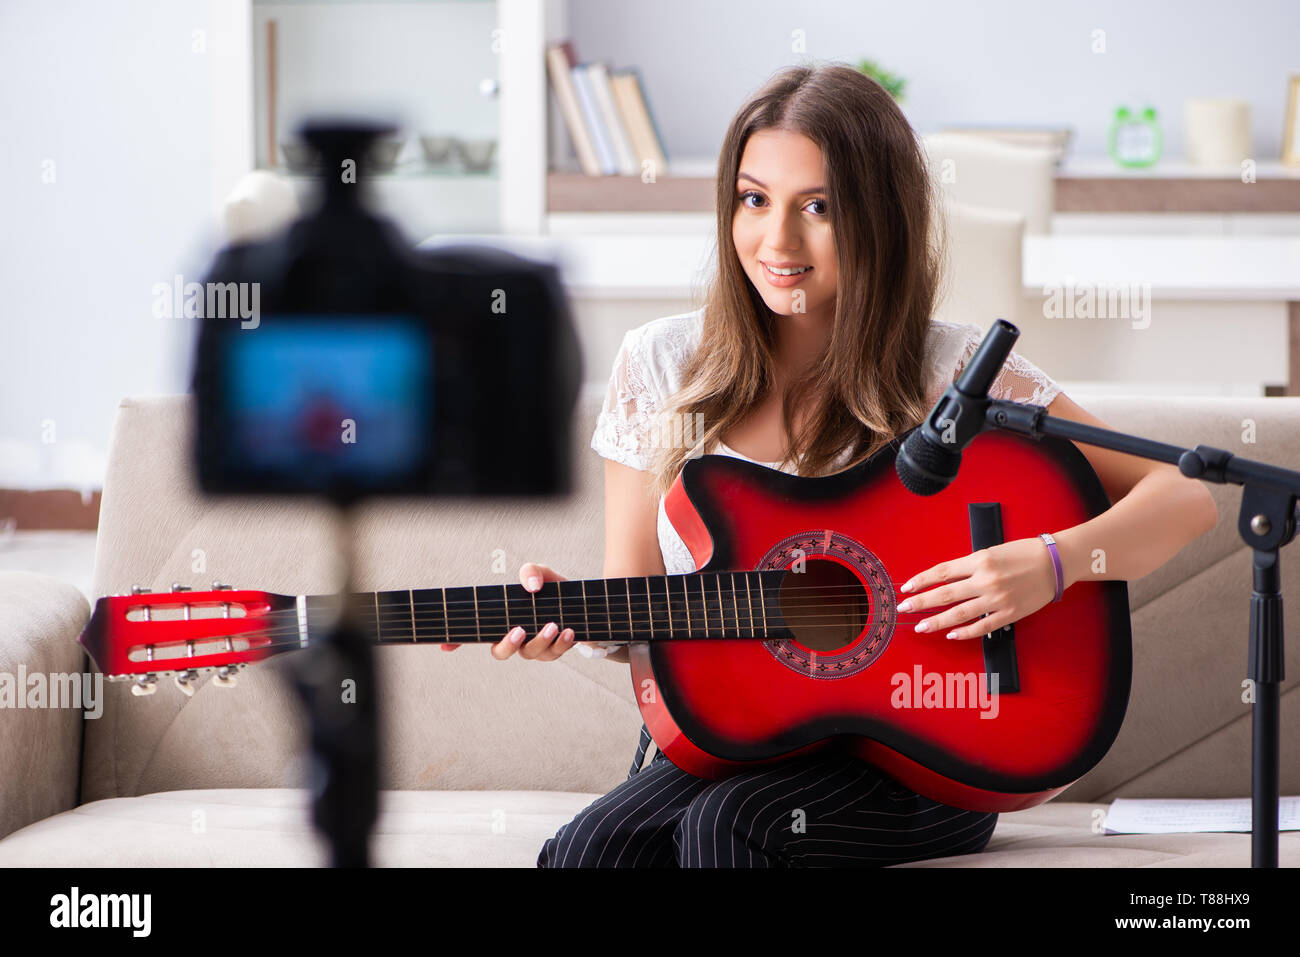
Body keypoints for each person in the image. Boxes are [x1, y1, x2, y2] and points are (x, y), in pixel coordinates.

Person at [445, 63, 1219, 867]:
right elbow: (636, 597)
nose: (777, 241)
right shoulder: (658, 366)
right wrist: (570, 619)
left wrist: (1051, 563)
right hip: (741, 732)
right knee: (583, 854)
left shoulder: (951, 372)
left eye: (819, 207)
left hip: (934, 747)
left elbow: (1186, 494)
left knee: (728, 827)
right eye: (754, 200)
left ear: (881, 218)